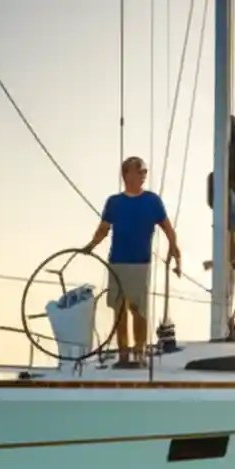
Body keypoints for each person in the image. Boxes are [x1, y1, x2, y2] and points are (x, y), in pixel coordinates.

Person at [83, 156, 182, 366]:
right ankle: (124, 354)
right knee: (119, 311)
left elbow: (167, 228)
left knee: (138, 310)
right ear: (127, 174)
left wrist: (174, 248)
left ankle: (139, 352)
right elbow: (103, 229)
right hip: (117, 262)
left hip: (140, 264)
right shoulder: (114, 202)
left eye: (145, 171)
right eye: (141, 171)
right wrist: (91, 246)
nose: (144, 175)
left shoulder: (152, 201)